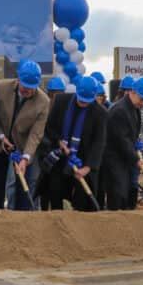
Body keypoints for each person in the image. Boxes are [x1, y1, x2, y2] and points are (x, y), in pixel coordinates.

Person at [38, 76, 107, 211]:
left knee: (82, 203)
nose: (83, 103)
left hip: (83, 162)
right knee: (55, 194)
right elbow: (50, 128)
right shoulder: (61, 101)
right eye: (80, 100)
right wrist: (59, 142)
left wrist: (86, 168)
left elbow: (99, 143)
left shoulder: (100, 113)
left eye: (86, 101)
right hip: (59, 158)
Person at [0, 60, 49, 210]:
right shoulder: (1, 88)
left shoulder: (43, 102)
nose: (27, 91)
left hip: (22, 147)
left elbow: (36, 134)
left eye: (31, 88)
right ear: (18, 79)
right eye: (24, 86)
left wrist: (25, 158)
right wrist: (1, 136)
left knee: (21, 186)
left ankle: (19, 219)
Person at [103, 76, 143, 210]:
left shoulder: (134, 108)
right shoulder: (119, 110)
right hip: (113, 158)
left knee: (128, 190)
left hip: (125, 158)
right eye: (142, 99)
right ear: (132, 92)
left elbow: (131, 134)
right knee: (118, 192)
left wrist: (136, 144)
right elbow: (122, 140)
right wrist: (136, 158)